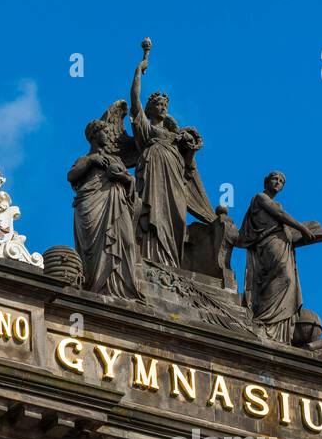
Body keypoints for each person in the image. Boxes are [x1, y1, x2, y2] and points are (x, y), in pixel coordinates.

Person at [127, 39, 216, 267]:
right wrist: (140, 67)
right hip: (153, 168)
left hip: (175, 176)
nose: (163, 106)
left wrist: (192, 150)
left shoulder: (176, 136)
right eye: (158, 103)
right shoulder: (147, 129)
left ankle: (171, 263)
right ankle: (149, 258)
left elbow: (188, 168)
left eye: (165, 103)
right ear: (150, 108)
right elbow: (135, 100)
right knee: (154, 210)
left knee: (175, 216)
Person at [239, 171, 322, 342]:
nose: (278, 182)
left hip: (283, 243)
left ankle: (277, 328)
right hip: (271, 244)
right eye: (274, 179)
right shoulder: (260, 198)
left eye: (281, 181)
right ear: (266, 182)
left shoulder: (276, 203)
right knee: (284, 278)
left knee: (287, 280)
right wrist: (303, 229)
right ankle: (264, 320)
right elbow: (280, 216)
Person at [68, 109, 142, 299]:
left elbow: (130, 182)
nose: (109, 135)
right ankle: (97, 286)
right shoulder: (85, 159)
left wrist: (124, 178)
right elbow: (71, 176)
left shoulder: (116, 160)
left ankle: (123, 287)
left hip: (117, 203)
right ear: (94, 135)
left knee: (126, 241)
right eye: (105, 132)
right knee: (97, 249)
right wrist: (92, 161)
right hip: (93, 204)